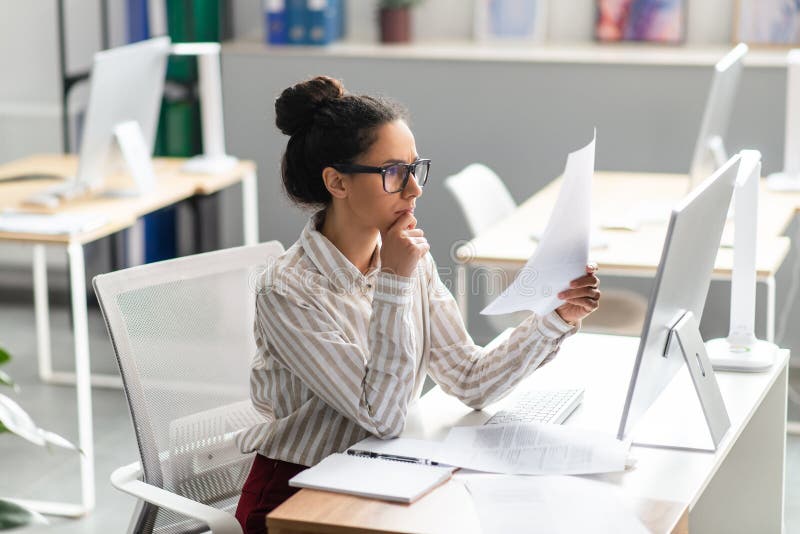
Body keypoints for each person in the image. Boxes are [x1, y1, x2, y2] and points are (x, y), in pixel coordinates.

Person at [234, 75, 601, 533]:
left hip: (379, 474)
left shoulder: (407, 262)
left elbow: (470, 380)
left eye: (415, 168)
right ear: (337, 182)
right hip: (298, 499)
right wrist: (394, 281)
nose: (414, 189)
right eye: (393, 172)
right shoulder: (288, 291)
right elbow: (382, 417)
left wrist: (555, 319)